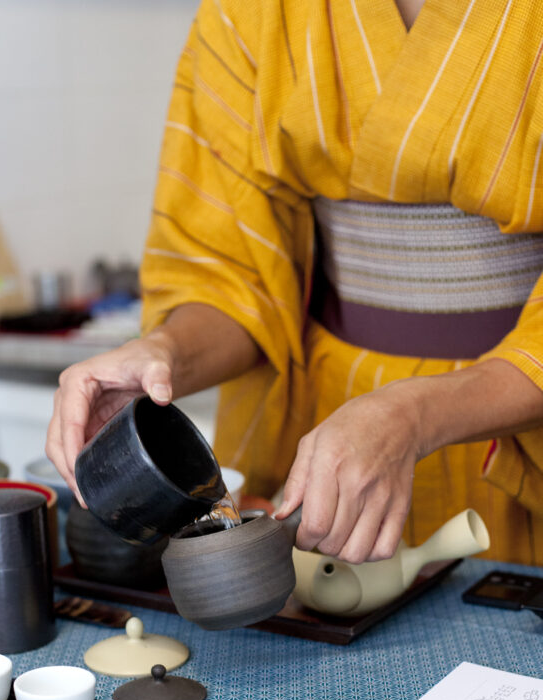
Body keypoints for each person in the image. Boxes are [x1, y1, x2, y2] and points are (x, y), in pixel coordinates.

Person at [47, 0, 543, 567]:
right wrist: (163, 354)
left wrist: (414, 414)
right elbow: (233, 273)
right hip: (326, 427)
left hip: (516, 417)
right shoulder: (252, 12)